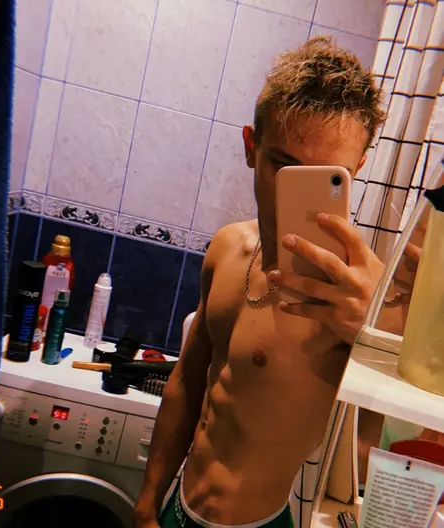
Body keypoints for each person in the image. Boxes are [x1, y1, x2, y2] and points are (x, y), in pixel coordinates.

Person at [134, 37, 401, 528]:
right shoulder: (226, 248)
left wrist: (373, 337)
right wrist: (148, 504)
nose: (291, 193)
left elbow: (384, 446)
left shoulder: (357, 298)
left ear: (358, 169)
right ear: (250, 147)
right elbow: (187, 382)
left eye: (328, 175)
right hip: (176, 509)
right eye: (283, 164)